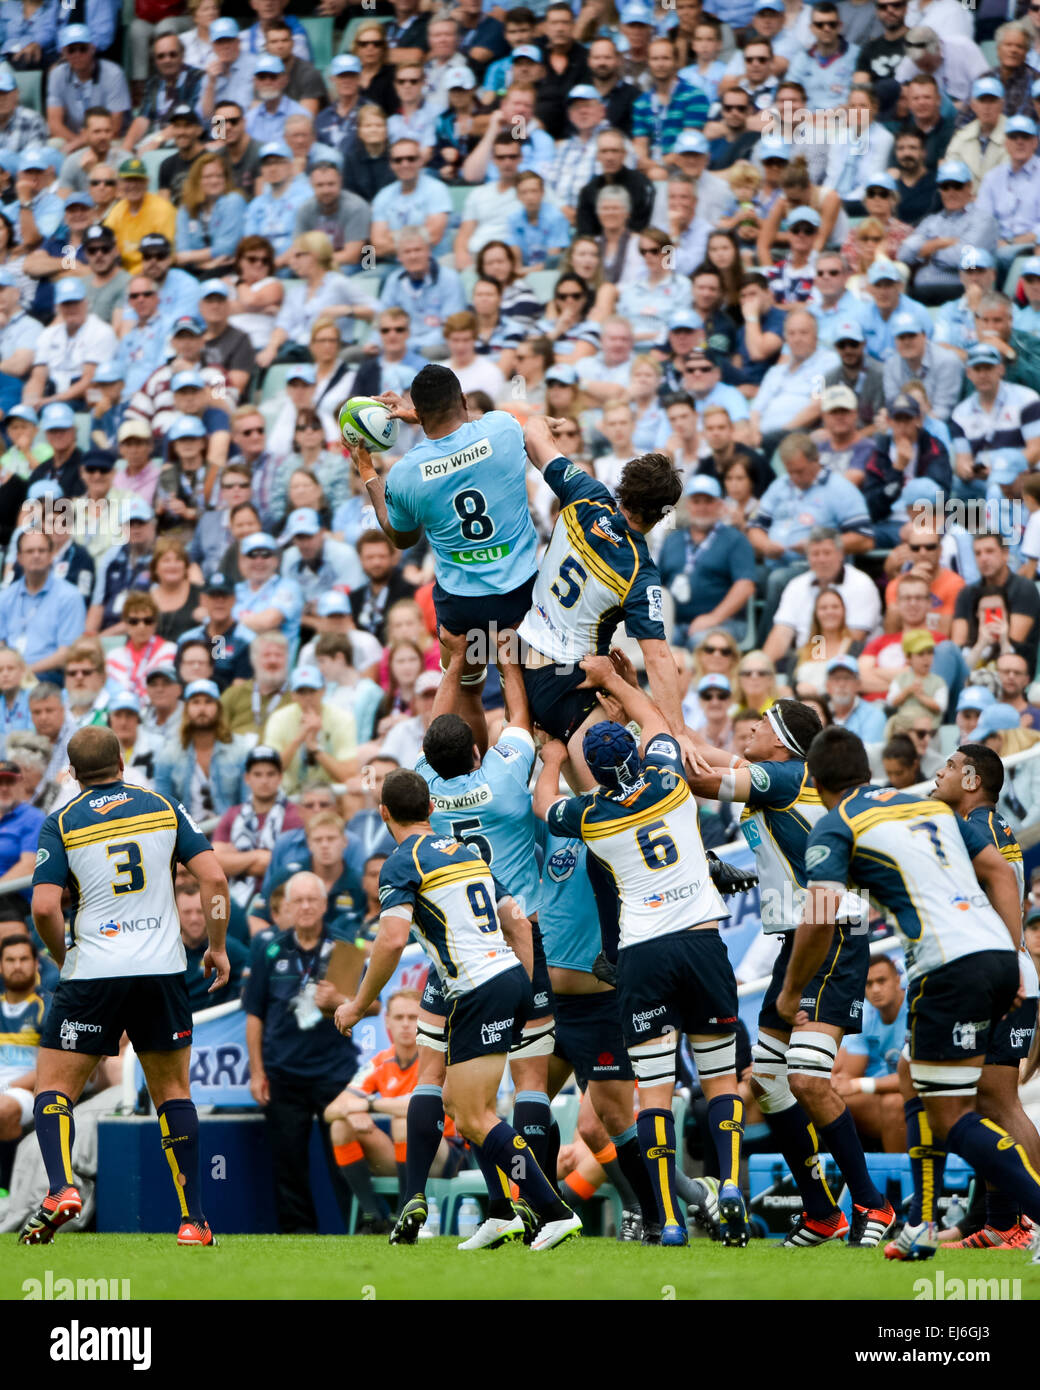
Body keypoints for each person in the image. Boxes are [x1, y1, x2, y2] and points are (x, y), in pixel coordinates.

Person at [791, 726, 1040, 1263]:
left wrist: (791, 990)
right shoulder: (925, 809)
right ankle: (925, 1225)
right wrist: (1013, 953)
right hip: (998, 957)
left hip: (947, 966)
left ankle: (1022, 1217)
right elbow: (999, 871)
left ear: (814, 779)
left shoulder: (838, 825)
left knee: (960, 1113)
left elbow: (818, 916)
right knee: (918, 1080)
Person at [541, 655, 750, 1248]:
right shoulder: (668, 778)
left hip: (643, 954)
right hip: (702, 943)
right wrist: (615, 682)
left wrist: (554, 761)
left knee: (653, 1096)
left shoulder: (592, 815)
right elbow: (660, 723)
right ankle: (729, 1184)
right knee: (719, 1083)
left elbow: (543, 808)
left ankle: (672, 1219)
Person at [334, 767, 582, 1252]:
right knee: (469, 1106)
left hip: (474, 988)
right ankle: (502, 1212)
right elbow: (515, 917)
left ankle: (553, 1211)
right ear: (430, 809)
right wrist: (524, 980)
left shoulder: (401, 862)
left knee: (471, 1117)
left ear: (384, 814)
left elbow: (389, 939)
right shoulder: (464, 852)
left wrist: (360, 1003)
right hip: (506, 978)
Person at [687, 698, 894, 1246]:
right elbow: (693, 745)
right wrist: (642, 695)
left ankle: (874, 1205)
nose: (745, 726)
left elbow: (694, 773)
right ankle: (824, 1211)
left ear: (780, 741)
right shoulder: (777, 777)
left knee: (804, 1079)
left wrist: (647, 729)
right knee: (770, 1083)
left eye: (759, 722)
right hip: (797, 939)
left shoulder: (782, 776)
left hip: (834, 934)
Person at [20, 725, 230, 1246]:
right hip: (160, 970)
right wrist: (218, 945)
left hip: (93, 971)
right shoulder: (163, 805)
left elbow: (44, 906)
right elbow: (216, 880)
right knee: (172, 1094)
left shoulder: (61, 821)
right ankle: (192, 1221)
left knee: (54, 1088)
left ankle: (62, 1188)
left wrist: (60, 954)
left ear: (69, 773)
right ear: (122, 761)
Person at [353, 365, 538, 735]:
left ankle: (478, 769)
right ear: (464, 400)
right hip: (520, 588)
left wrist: (368, 474)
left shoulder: (406, 474)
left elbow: (400, 537)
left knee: (468, 689)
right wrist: (420, 413)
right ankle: (523, 773)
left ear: (419, 415)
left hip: (462, 599)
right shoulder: (502, 429)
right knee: (521, 685)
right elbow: (478, 425)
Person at [517, 418, 694, 791]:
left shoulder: (585, 492)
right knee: (622, 804)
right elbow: (659, 659)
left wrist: (543, 423)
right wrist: (676, 734)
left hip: (520, 663)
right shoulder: (640, 572)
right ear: (663, 515)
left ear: (622, 488)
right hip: (572, 686)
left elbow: (533, 436)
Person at [930, 743, 1040, 1250]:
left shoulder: (974, 828)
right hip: (1006, 971)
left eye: (950, 766)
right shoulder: (991, 829)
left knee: (999, 1100)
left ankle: (1029, 1222)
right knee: (986, 1101)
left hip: (1002, 977)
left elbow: (1000, 898)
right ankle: (1003, 1222)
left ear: (972, 779)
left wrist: (1006, 966)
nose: (940, 772)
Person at [244, 870, 364, 1235]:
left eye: (313, 899)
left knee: (344, 1158)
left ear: (325, 904)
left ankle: (358, 1229)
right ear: (287, 907)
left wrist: (340, 1000)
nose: (307, 906)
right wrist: (257, 1071)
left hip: (334, 1070)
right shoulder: (268, 948)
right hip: (284, 1072)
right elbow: (254, 1014)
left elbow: (367, 1006)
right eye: (299, 901)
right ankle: (298, 1235)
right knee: (288, 1163)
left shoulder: (346, 946)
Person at [324, 988, 441, 1228]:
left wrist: (367, 1104)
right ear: (387, 1021)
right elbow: (331, 1110)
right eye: (399, 1018)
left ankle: (403, 1213)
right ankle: (374, 1217)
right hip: (405, 1154)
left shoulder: (438, 1056)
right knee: (339, 1126)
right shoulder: (381, 1061)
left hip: (444, 1151)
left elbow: (415, 1108)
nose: (406, 1025)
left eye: (413, 1017)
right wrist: (350, 1111)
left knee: (404, 1121)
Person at [658, 475, 756, 647]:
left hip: (723, 623)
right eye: (696, 501)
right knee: (655, 643)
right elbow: (658, 584)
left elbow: (745, 585)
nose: (702, 507)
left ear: (720, 505)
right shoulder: (672, 539)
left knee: (701, 642)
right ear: (688, 505)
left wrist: (713, 618)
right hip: (675, 622)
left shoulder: (735, 540)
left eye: (708, 501)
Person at [832, 955, 908, 1153]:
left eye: (881, 981)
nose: (875, 989)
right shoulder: (865, 1016)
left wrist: (859, 1085)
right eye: (868, 984)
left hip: (918, 1094)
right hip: (881, 1096)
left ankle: (896, 1179)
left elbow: (916, 1078)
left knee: (893, 1103)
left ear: (897, 979)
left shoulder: (916, 1009)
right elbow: (849, 1075)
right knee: (827, 1099)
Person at [153, 678, 247, 821]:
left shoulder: (241, 750)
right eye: (196, 702)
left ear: (218, 708)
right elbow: (161, 810)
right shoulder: (168, 754)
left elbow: (248, 804)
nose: (202, 709)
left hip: (230, 833)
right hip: (187, 837)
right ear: (186, 709)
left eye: (208, 702)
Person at [0, 530, 87, 681]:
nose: (36, 555)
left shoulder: (70, 596)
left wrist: (23, 673)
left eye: (41, 550)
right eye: (30, 551)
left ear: (52, 555)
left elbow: (67, 654)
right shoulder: (6, 597)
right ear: (19, 558)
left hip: (48, 676)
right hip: (8, 676)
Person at [0, 932, 49, 1145]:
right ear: (0, 966)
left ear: (36, 964)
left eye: (24, 959)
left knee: (2, 1110)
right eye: (10, 960)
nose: (17, 966)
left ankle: (8, 1178)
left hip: (27, 1091)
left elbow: (53, 1067)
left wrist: (7, 1087)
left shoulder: (48, 1006)